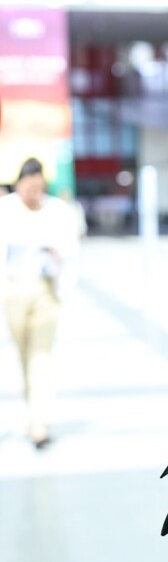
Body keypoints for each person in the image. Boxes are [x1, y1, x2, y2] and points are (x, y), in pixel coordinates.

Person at [0, 157, 81, 447]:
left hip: (46, 290)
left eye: (38, 188)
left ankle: (40, 422)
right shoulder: (6, 209)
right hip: (13, 290)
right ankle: (33, 412)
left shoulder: (56, 210)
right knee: (24, 355)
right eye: (28, 187)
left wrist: (56, 252)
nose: (33, 193)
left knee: (41, 357)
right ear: (19, 184)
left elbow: (71, 248)